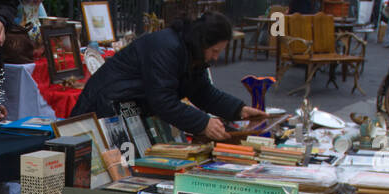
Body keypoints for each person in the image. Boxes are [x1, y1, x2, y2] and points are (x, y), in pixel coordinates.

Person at [72, 11, 268, 141]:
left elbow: (202, 92)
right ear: (202, 42)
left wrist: (239, 110)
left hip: (125, 109)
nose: (215, 58)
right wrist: (202, 123)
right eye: (215, 51)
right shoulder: (167, 47)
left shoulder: (191, 52)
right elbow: (162, 100)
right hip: (105, 108)